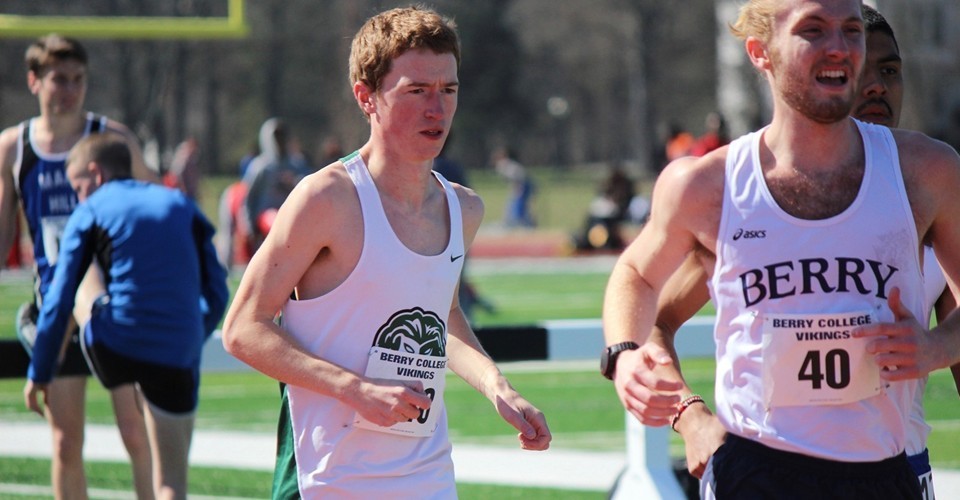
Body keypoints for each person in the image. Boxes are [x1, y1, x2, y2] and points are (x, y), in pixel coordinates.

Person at [601, 1, 960, 498]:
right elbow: (637, 275)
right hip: (752, 470)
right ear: (759, 52)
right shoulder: (706, 185)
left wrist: (936, 347)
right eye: (813, 31)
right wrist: (624, 356)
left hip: (883, 471)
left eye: (850, 30)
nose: (839, 47)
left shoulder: (926, 172)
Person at [221, 6, 551, 498]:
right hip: (327, 479)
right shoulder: (326, 199)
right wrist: (356, 390)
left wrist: (497, 386)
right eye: (416, 91)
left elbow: (444, 315)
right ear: (367, 97)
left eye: (449, 90)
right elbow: (242, 328)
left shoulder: (464, 208)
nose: (437, 110)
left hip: (427, 475)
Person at [24, 133, 229, 499]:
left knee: (84, 276)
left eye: (79, 187)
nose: (78, 197)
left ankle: (41, 334)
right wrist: (191, 336)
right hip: (176, 350)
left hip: (115, 344)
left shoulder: (92, 208)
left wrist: (40, 370)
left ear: (95, 174)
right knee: (171, 483)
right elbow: (217, 293)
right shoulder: (181, 203)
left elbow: (59, 293)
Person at [0, 33, 157, 499]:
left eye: (78, 79)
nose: (69, 89)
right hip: (56, 307)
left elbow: (155, 207)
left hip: (114, 305)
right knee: (66, 441)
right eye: (58, 79)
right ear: (34, 81)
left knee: (135, 431)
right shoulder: (14, 147)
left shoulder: (110, 140)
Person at [240, 117, 312, 253]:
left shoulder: (296, 165)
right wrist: (249, 228)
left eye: (282, 137)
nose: (280, 141)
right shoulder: (261, 167)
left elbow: (311, 189)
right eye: (276, 137)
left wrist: (293, 182)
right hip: (266, 222)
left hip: (293, 221)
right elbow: (248, 199)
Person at [491, 146, 536, 228]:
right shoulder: (506, 164)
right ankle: (522, 222)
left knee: (519, 204)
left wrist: (518, 190)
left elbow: (517, 177)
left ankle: (522, 223)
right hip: (522, 184)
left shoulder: (504, 164)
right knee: (517, 204)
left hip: (523, 184)